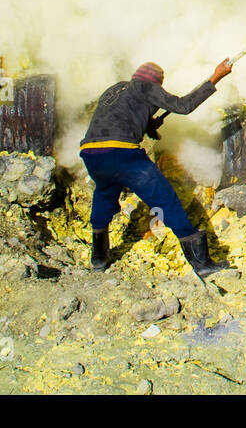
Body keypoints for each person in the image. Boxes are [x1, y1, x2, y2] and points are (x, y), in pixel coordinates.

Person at [79, 59, 233, 277]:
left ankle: (99, 257)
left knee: (103, 197)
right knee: (166, 201)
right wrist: (216, 77)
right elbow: (183, 106)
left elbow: (118, 119)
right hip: (122, 154)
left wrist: (149, 125)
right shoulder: (146, 86)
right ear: (156, 81)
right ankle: (202, 264)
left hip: (92, 154)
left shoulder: (113, 90)